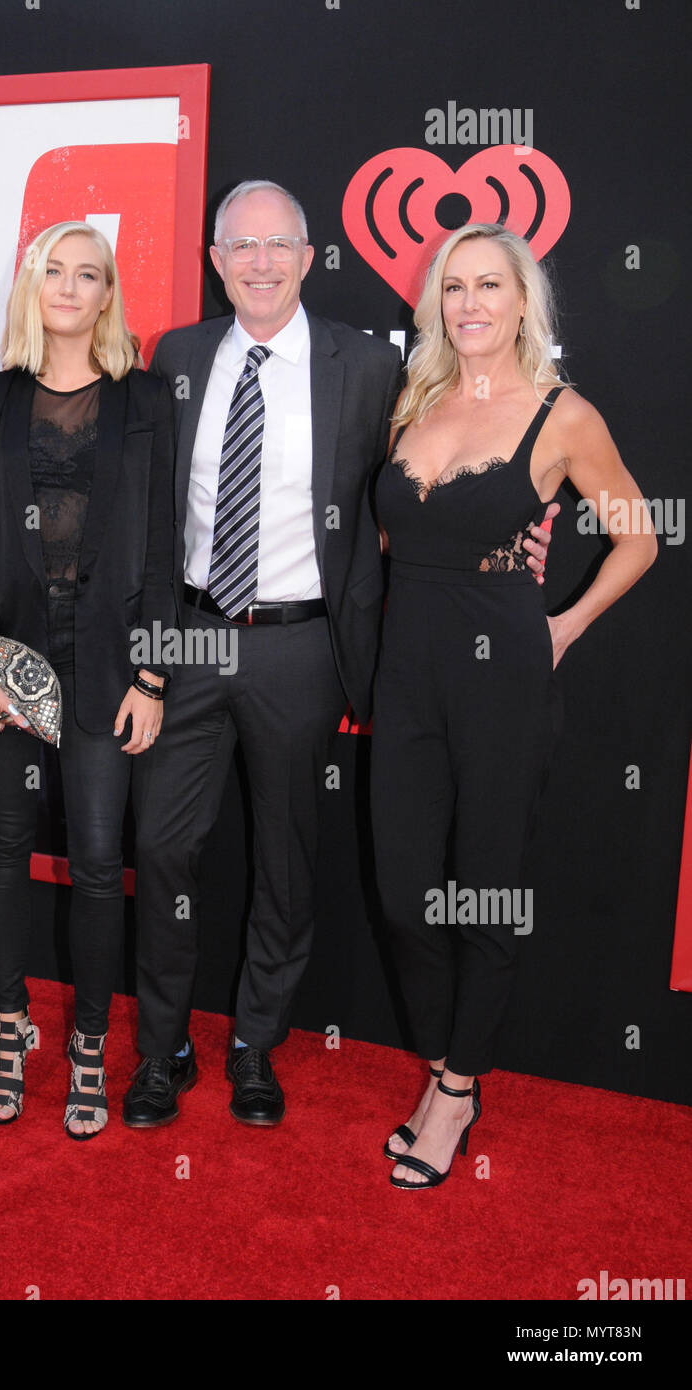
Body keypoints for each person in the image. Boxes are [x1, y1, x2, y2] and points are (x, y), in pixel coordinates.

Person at [123, 181, 544, 1129]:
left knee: (285, 857)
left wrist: (514, 530)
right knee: (161, 846)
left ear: (309, 258)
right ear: (214, 260)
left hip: (303, 644)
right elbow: (148, 513)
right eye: (242, 246)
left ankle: (254, 1047)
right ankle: (162, 1050)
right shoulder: (177, 355)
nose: (261, 263)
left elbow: (427, 485)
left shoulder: (364, 366)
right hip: (188, 636)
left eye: (280, 245)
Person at [371, 222, 657, 1189]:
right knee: (407, 895)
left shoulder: (561, 414)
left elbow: (639, 537)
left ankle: (455, 1088)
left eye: (490, 286)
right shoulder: (414, 396)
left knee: (484, 889)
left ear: (523, 300)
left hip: (500, 682)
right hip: (402, 675)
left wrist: (565, 624)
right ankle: (447, 1060)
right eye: (454, 288)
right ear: (436, 303)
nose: (471, 305)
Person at [0, 221, 175, 1139]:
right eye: (55, 272)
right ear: (31, 286)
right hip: (8, 651)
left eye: (90, 275)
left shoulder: (145, 398)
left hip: (108, 656)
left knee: (94, 861)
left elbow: (162, 548)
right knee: (3, 842)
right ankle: (11, 1028)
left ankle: (86, 1039)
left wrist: (151, 675)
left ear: (108, 293)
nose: (71, 288)